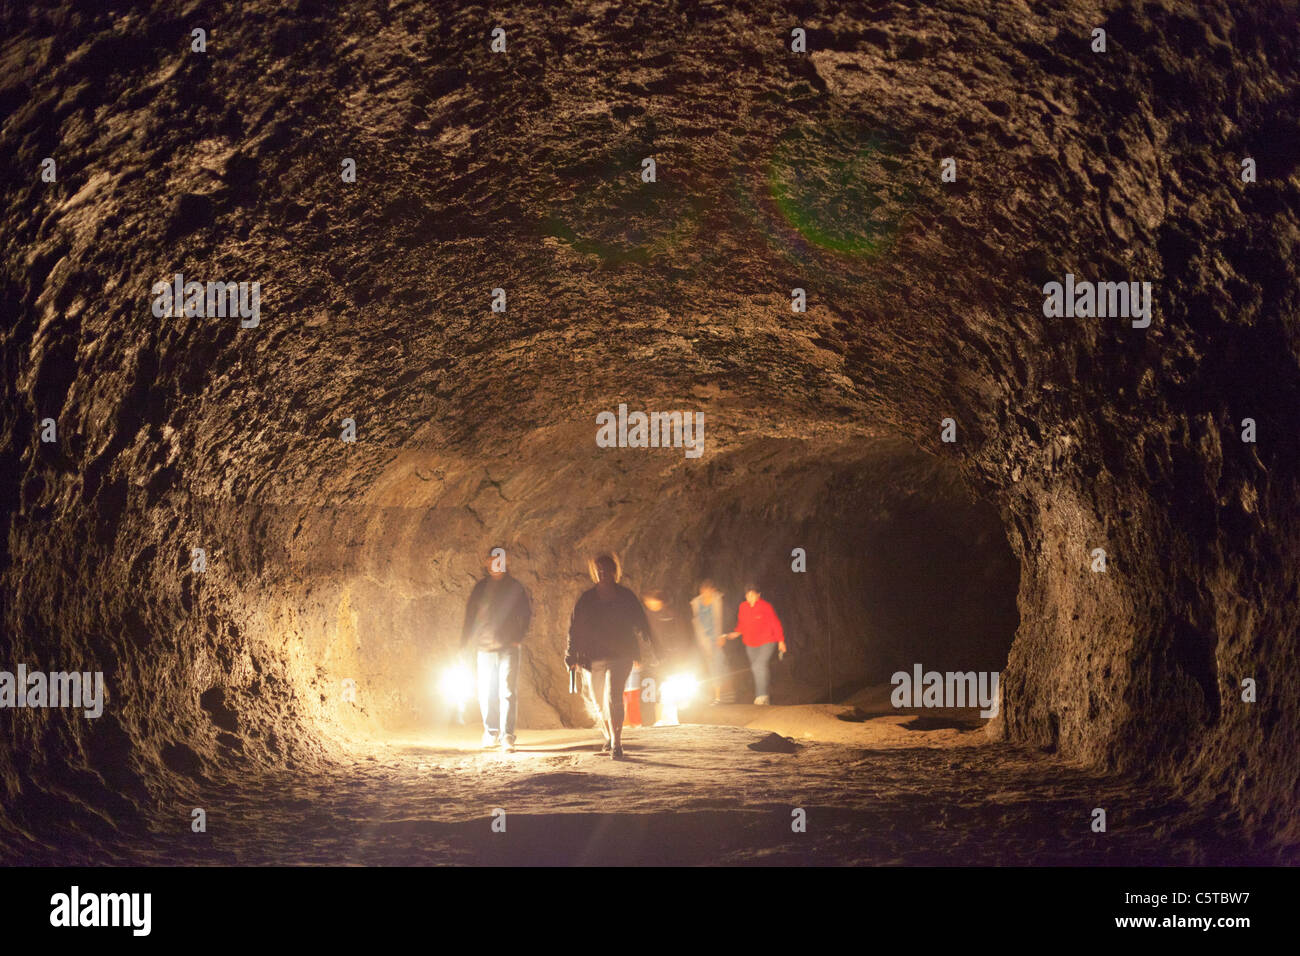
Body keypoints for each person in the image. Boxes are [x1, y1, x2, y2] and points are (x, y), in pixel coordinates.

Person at [565, 552, 652, 759]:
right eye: (599, 570)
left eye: (606, 570)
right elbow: (574, 628)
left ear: (615, 572)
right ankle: (609, 736)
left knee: (613, 697)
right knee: (597, 701)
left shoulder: (625, 597)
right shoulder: (587, 599)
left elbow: (641, 624)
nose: (603, 574)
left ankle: (617, 743)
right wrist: (570, 655)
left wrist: (642, 650)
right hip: (593, 657)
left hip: (620, 655)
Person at [460, 549, 531, 751]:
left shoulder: (514, 587)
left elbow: (525, 614)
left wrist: (518, 637)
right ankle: (491, 733)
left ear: (505, 562)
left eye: (500, 560)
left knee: (507, 691)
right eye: (493, 560)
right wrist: (464, 642)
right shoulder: (481, 588)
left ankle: (507, 735)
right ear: (487, 562)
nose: (496, 564)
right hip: (485, 648)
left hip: (509, 647)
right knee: (486, 691)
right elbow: (470, 616)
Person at [722, 584, 786, 705]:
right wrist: (736, 633)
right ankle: (765, 696)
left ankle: (760, 695)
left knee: (758, 666)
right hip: (750, 643)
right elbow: (742, 624)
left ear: (758, 595)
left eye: (752, 595)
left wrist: (781, 641)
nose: (749, 597)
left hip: (767, 641)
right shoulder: (743, 607)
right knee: (759, 668)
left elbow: (775, 623)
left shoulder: (766, 606)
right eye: (747, 595)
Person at [690, 579, 730, 704]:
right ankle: (708, 695)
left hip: (716, 639)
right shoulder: (695, 604)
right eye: (703, 591)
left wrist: (723, 636)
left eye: (708, 591)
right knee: (705, 666)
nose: (705, 594)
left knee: (716, 665)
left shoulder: (720, 602)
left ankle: (718, 697)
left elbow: (727, 619)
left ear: (713, 590)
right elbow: (693, 623)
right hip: (702, 640)